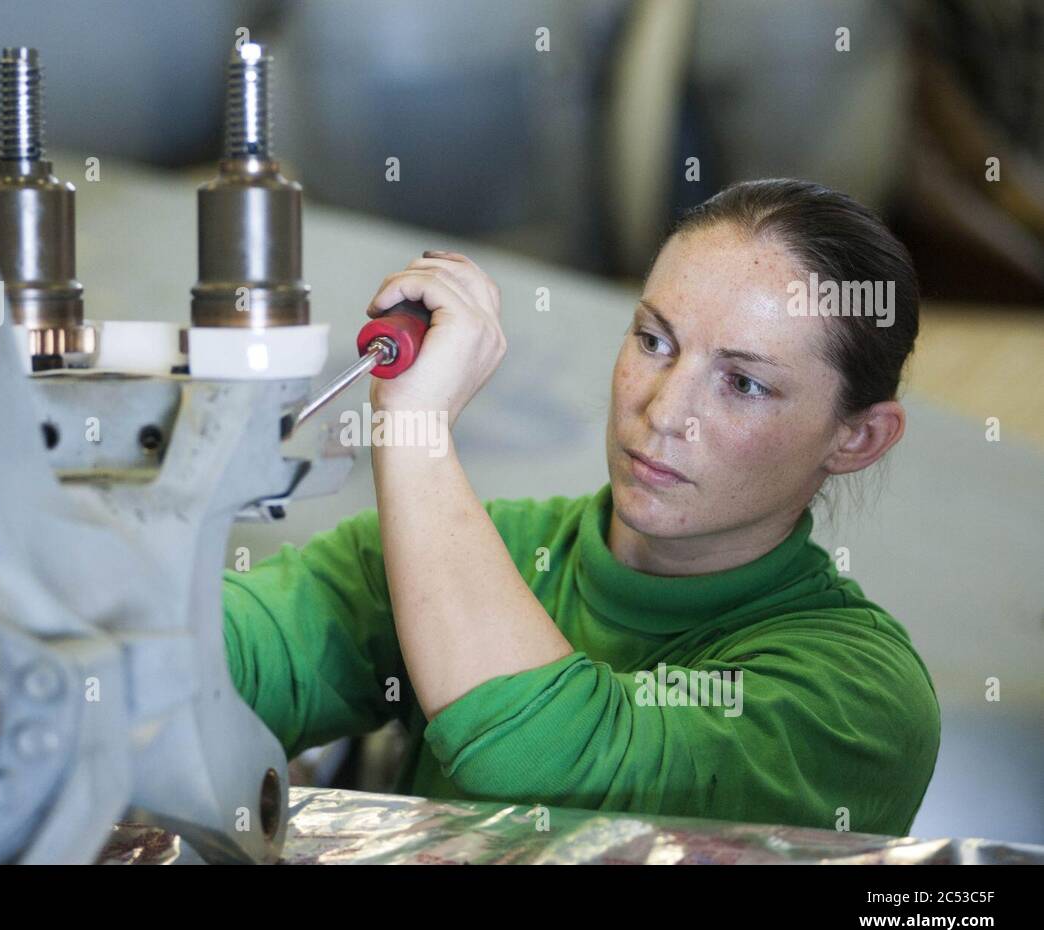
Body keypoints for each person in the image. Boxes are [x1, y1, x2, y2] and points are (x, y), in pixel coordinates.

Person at [222, 178, 940, 837]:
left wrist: (413, 426)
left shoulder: (860, 699)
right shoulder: (485, 551)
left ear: (858, 437)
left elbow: (546, 762)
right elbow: (223, 652)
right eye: (654, 341)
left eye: (744, 384)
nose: (664, 412)